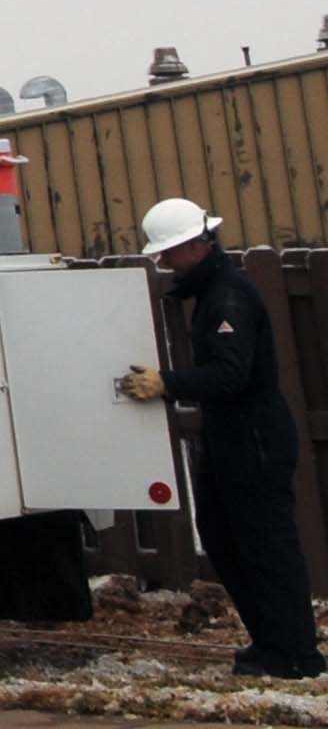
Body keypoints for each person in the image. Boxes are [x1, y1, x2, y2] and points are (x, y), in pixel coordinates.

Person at [122, 196, 323, 679]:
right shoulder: (214, 293)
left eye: (168, 254)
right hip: (232, 441)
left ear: (195, 246)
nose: (166, 264)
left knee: (267, 548)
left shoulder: (229, 298)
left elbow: (230, 375)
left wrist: (169, 383)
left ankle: (295, 653)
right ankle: (272, 642)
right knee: (224, 536)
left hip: (254, 442)